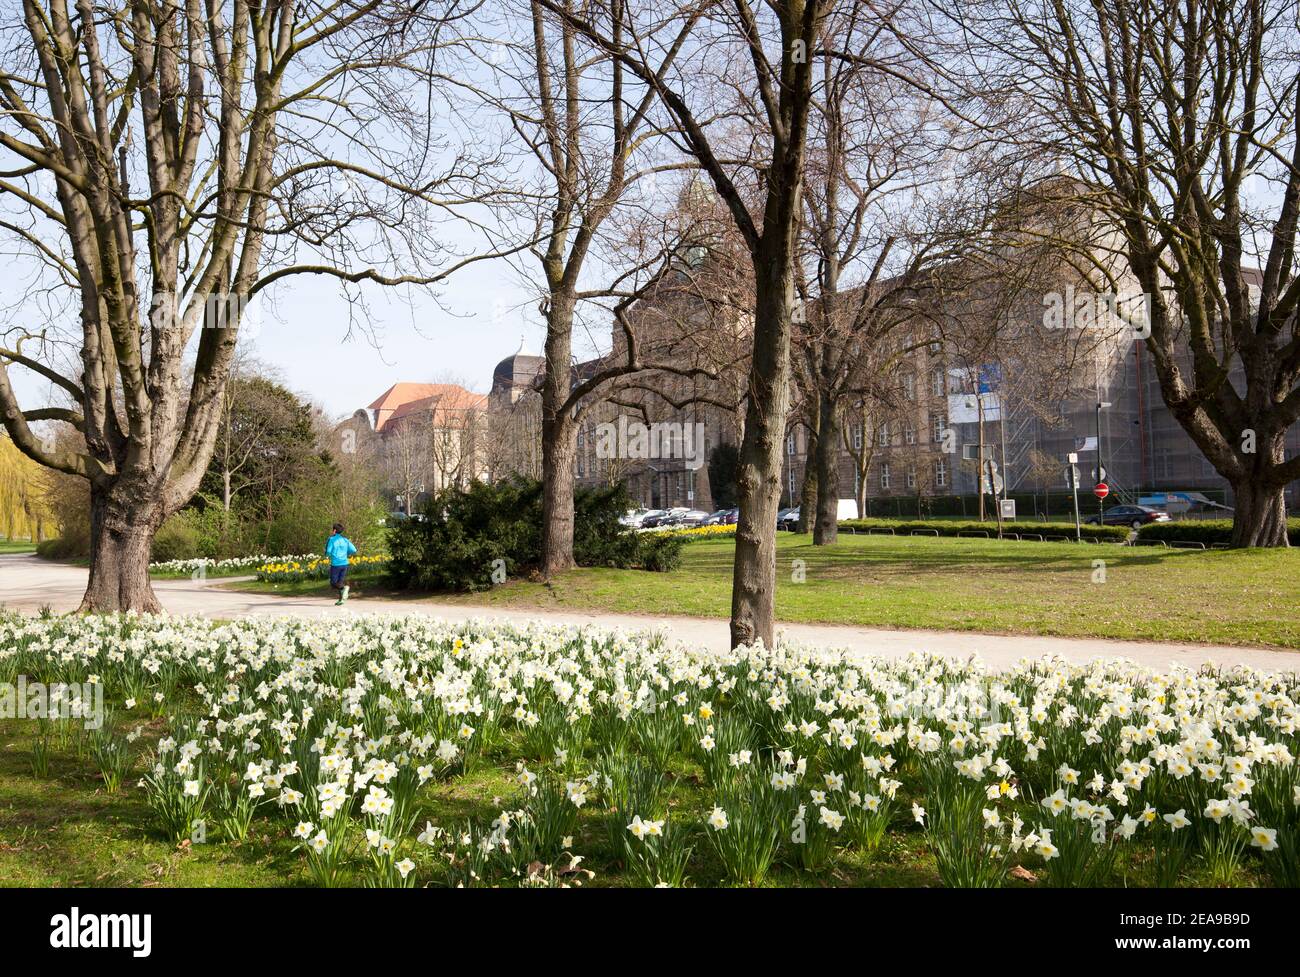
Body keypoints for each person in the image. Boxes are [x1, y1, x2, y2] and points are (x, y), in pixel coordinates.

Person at [325, 522, 357, 605]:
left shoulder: (331, 540)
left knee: (333, 583)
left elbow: (328, 551)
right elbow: (354, 550)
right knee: (339, 583)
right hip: (344, 564)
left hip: (336, 564)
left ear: (334, 531)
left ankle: (345, 588)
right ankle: (341, 600)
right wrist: (346, 553)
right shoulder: (345, 540)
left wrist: (327, 555)